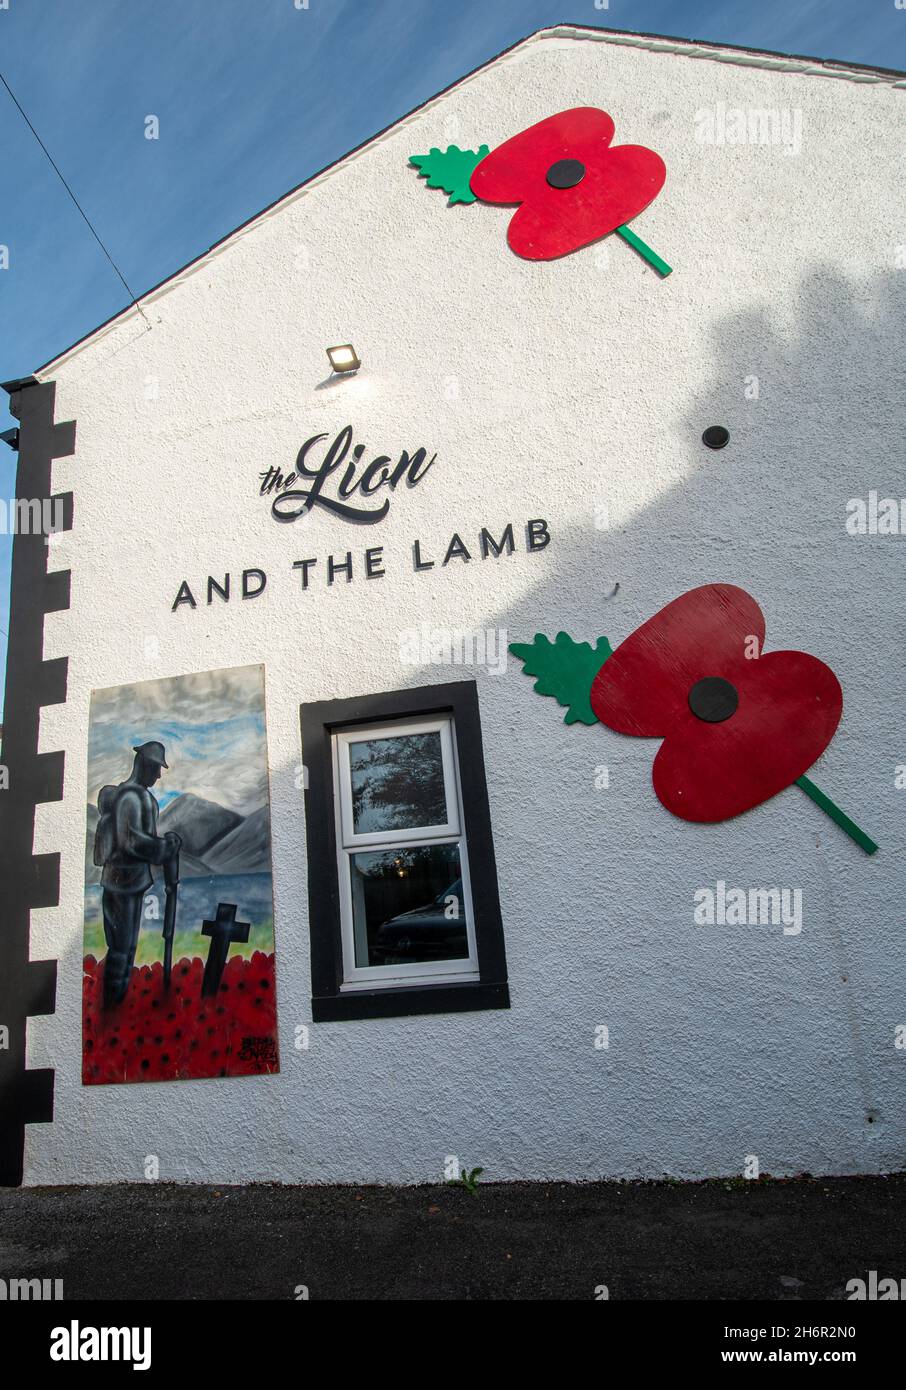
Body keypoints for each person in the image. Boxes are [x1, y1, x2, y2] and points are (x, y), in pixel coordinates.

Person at [95, 741, 181, 1007]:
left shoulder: (139, 796)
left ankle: (115, 1005)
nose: (158, 775)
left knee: (126, 947)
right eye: (156, 767)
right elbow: (131, 841)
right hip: (122, 883)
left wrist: (164, 849)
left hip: (129, 883)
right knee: (121, 949)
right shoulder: (131, 797)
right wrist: (164, 847)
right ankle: (112, 1008)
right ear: (144, 764)